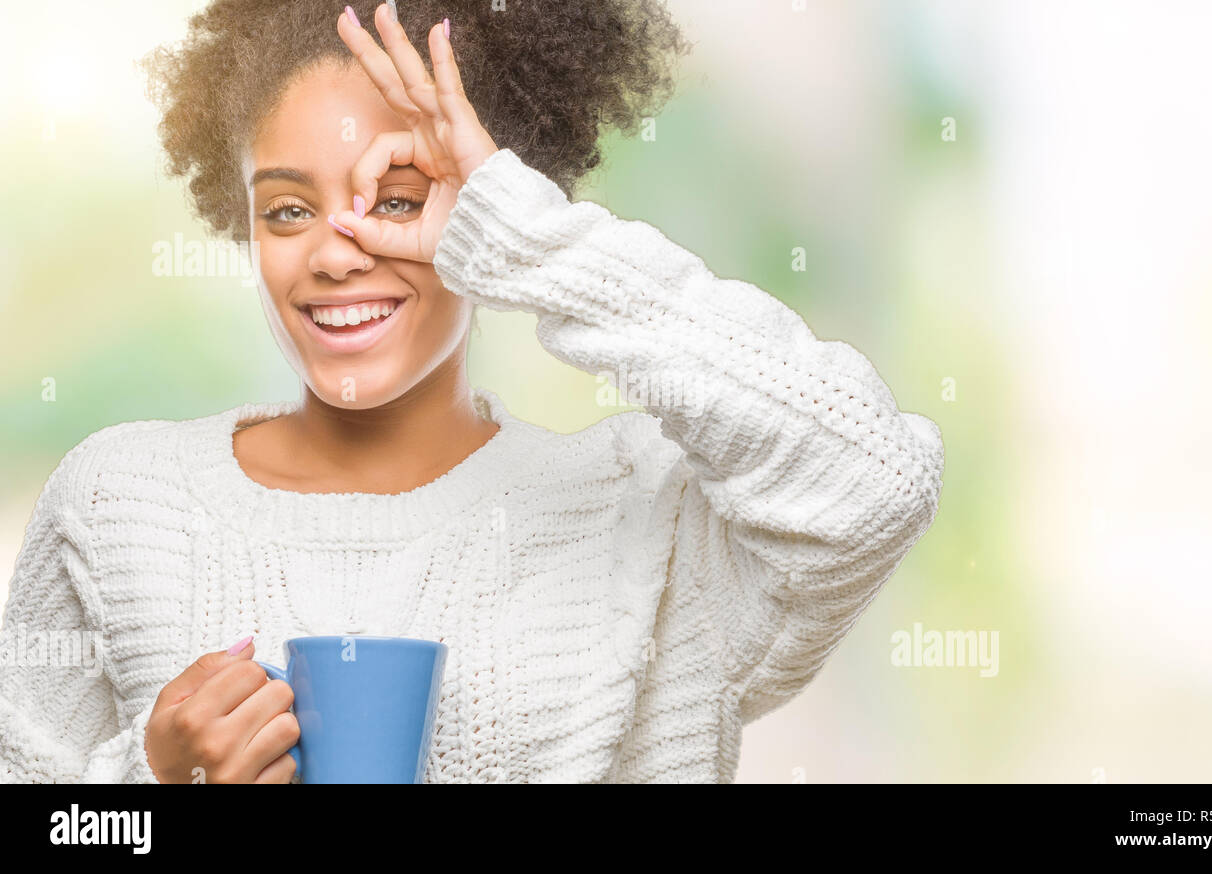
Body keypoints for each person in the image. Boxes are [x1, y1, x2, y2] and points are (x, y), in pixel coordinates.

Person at [0, 1, 943, 783]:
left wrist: (524, 240)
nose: (335, 253)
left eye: (400, 200)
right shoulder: (119, 503)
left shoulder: (647, 523)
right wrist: (149, 788)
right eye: (288, 209)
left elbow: (875, 479)